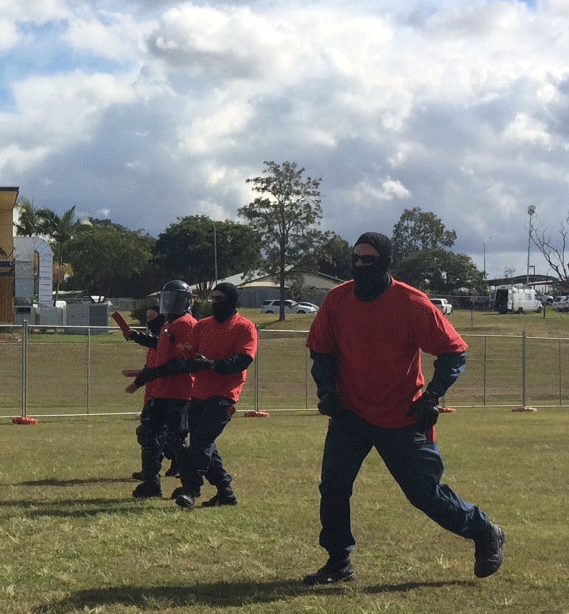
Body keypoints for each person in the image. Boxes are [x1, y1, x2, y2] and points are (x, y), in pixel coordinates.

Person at [302, 232, 504, 585]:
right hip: (350, 415)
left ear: (385, 262)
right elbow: (321, 350)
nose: (360, 266)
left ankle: (484, 531)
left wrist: (432, 396)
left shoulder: (412, 303)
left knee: (425, 494)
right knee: (333, 487)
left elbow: (454, 351)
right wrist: (327, 392)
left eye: (369, 260)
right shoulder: (337, 300)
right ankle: (338, 561)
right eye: (356, 259)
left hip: (403, 417)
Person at [171, 282, 258, 510]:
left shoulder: (245, 327)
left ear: (231, 300)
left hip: (225, 395)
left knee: (201, 443)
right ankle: (225, 491)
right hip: (199, 393)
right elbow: (192, 356)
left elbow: (243, 360)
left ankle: (191, 490)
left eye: (219, 299)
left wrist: (211, 364)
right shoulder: (202, 326)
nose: (215, 303)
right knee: (205, 444)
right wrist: (187, 358)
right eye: (213, 299)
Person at [125, 281, 197, 499]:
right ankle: (151, 483)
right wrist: (137, 337)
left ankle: (189, 486)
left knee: (177, 440)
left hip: (179, 392)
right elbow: (160, 347)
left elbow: (184, 360)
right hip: (161, 391)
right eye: (167, 298)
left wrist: (151, 375)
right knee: (148, 435)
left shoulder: (187, 324)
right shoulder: (168, 325)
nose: (169, 303)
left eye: (174, 298)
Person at [121, 305, 175, 480]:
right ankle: (151, 470)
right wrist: (138, 383)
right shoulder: (155, 343)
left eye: (153, 317)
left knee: (165, 432)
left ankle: (177, 462)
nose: (150, 321)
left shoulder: (166, 339)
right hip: (153, 391)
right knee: (149, 431)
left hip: (167, 392)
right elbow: (149, 367)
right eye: (147, 318)